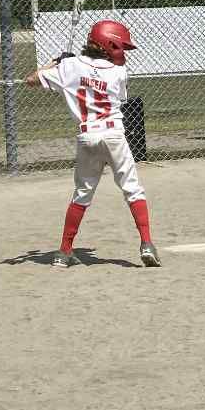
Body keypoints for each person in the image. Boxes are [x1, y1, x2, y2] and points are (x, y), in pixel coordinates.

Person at [26, 19, 159, 267]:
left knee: (82, 193)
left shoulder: (69, 66)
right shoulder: (119, 73)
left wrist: (56, 63)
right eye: (120, 46)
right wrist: (67, 65)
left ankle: (64, 252)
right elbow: (116, 94)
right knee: (132, 189)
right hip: (114, 135)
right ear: (109, 45)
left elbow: (31, 80)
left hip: (87, 137)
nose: (123, 52)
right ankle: (147, 244)